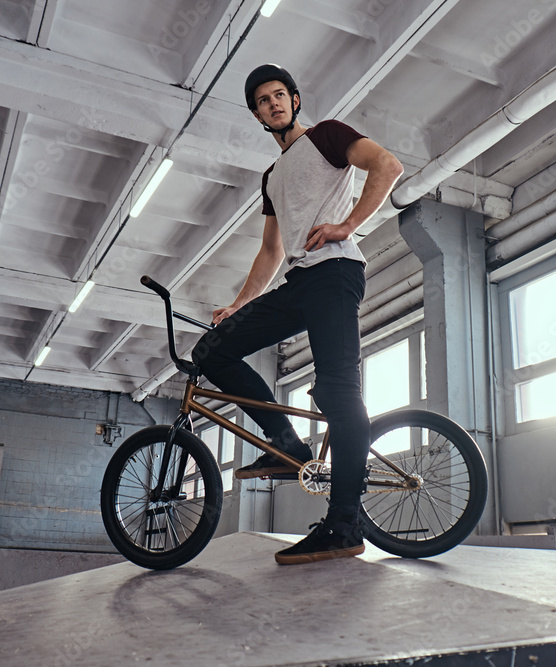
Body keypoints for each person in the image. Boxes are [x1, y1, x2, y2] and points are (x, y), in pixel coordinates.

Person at [192, 64, 403, 565]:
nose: (273, 104)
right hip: (300, 282)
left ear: (295, 99)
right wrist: (240, 304)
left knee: (336, 391)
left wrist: (347, 224)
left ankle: (344, 525)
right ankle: (287, 446)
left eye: (279, 95)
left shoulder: (327, 136)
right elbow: (270, 251)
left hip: (336, 273)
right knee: (212, 351)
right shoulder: (272, 177)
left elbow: (387, 165)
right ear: (257, 115)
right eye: (263, 101)